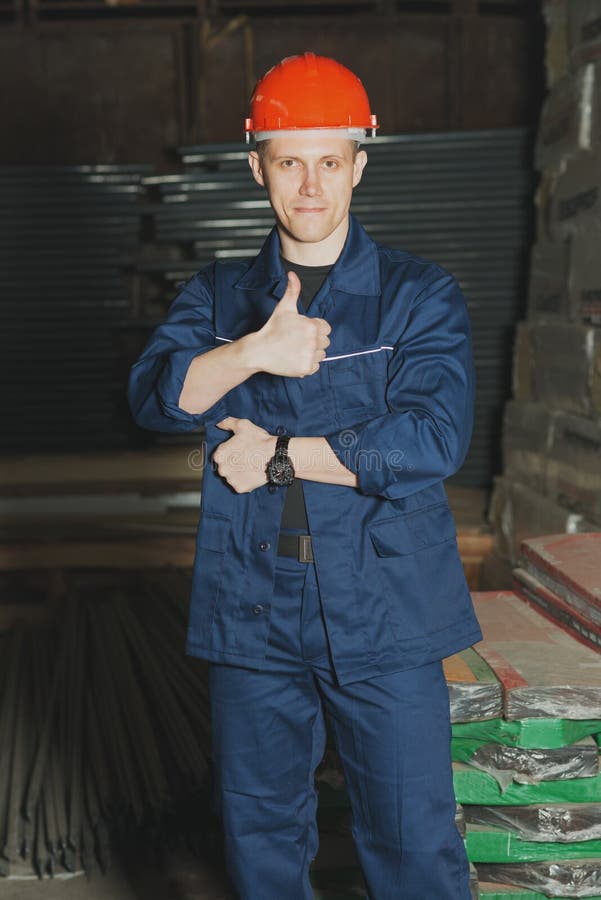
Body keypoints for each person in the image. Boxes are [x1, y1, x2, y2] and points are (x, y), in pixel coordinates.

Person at [128, 52, 482, 900]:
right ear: (258, 168)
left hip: (385, 607)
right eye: (289, 160)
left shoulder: (417, 295)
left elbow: (432, 438)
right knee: (259, 836)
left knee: (410, 839)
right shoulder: (217, 298)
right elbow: (152, 397)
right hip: (252, 608)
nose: (311, 184)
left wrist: (281, 455)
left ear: (359, 164)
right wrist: (252, 350)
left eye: (330, 160)